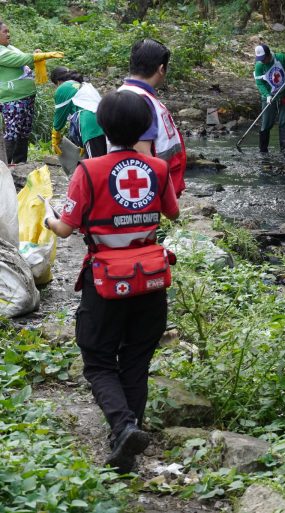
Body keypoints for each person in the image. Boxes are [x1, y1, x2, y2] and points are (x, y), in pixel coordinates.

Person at [44, 90, 179, 473]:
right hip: (150, 279)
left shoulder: (88, 170)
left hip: (106, 280)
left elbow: (67, 229)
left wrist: (49, 218)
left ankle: (122, 427)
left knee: (99, 360)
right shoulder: (158, 168)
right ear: (144, 126)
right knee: (135, 359)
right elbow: (173, 211)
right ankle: (125, 441)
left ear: (102, 125)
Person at [119, 38, 186, 197]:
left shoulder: (130, 94)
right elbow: (141, 152)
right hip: (151, 190)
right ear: (161, 69)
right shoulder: (140, 101)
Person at [0, 19, 63, 164]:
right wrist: (38, 56)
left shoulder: (10, 47)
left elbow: (26, 62)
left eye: (8, 31)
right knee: (13, 132)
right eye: (5, 31)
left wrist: (35, 56)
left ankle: (20, 163)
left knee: (23, 131)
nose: (8, 34)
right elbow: (19, 60)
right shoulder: (1, 52)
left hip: (26, 97)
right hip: (13, 98)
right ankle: (5, 166)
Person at [49, 66, 106, 158]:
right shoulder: (84, 85)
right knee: (103, 158)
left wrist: (55, 136)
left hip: (91, 125)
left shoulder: (64, 87)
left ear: (58, 82)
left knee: (95, 163)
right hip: (105, 120)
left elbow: (59, 117)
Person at [253, 44, 285, 153]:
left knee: (284, 122)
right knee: (266, 124)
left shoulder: (280, 58)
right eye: (259, 59)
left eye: (263, 59)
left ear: (269, 55)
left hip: (283, 95)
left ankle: (284, 150)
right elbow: (259, 83)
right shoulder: (259, 66)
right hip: (268, 97)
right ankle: (263, 151)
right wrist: (267, 95)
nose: (262, 61)